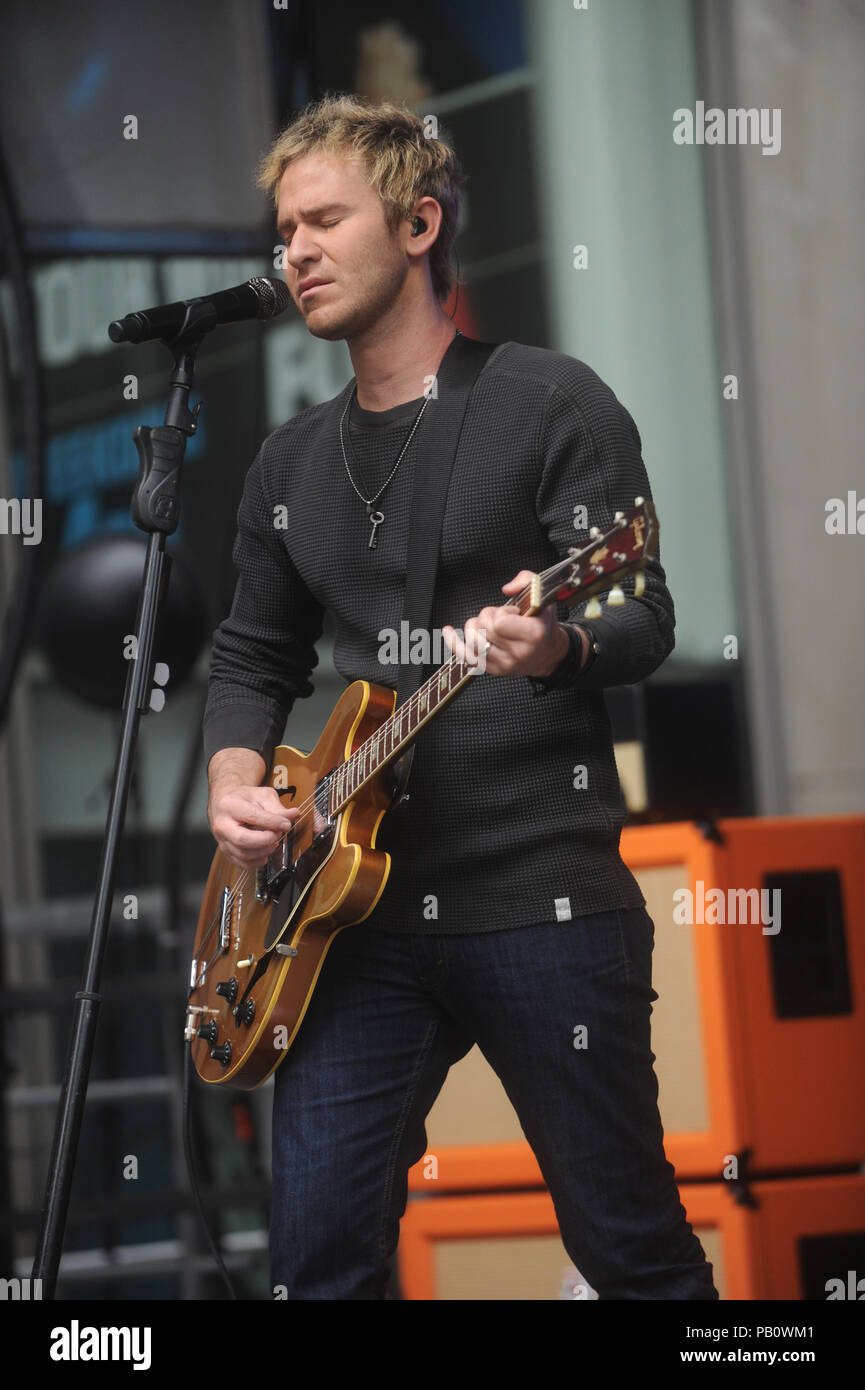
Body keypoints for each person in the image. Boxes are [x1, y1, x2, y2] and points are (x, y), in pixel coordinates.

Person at [203, 93, 718, 1301]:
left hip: (541, 900)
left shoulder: (550, 401)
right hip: (349, 928)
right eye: (285, 232)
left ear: (420, 222)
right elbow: (248, 656)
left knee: (631, 1253)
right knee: (317, 1263)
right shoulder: (287, 462)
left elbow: (639, 613)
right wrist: (237, 779)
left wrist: (551, 650)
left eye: (324, 221)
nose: (297, 254)